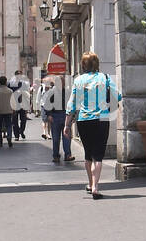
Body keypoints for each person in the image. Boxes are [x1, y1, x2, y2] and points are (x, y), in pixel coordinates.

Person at [64, 52, 122, 199]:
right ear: (97, 63)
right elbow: (118, 96)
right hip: (102, 118)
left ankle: (90, 184)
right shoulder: (106, 78)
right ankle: (96, 186)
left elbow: (71, 104)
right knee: (98, 155)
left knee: (88, 154)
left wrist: (66, 125)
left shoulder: (78, 80)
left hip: (83, 120)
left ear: (83, 65)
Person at [43, 74, 76, 165]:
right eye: (61, 82)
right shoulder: (51, 92)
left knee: (67, 137)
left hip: (66, 116)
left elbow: (73, 105)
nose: (62, 83)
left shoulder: (68, 92)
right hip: (55, 116)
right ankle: (56, 156)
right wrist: (49, 115)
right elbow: (46, 104)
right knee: (56, 138)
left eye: (63, 82)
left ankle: (67, 155)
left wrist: (72, 117)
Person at [0, 77, 14, 147]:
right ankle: (9, 137)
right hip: (8, 110)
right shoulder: (10, 91)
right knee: (9, 125)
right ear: (6, 81)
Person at [10, 73, 30, 139]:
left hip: (23, 104)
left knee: (23, 120)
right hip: (14, 104)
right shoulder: (11, 84)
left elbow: (27, 94)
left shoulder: (24, 84)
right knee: (14, 121)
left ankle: (21, 131)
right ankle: (16, 135)